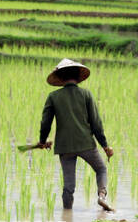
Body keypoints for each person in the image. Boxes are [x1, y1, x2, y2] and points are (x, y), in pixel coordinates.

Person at [37, 58, 114, 211]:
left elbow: (45, 122)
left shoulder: (53, 97)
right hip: (86, 143)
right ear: (78, 75)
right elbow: (96, 123)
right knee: (101, 169)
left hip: (64, 146)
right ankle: (102, 196)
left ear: (60, 77)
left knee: (69, 184)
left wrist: (42, 141)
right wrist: (104, 146)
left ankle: (67, 215)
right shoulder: (86, 94)